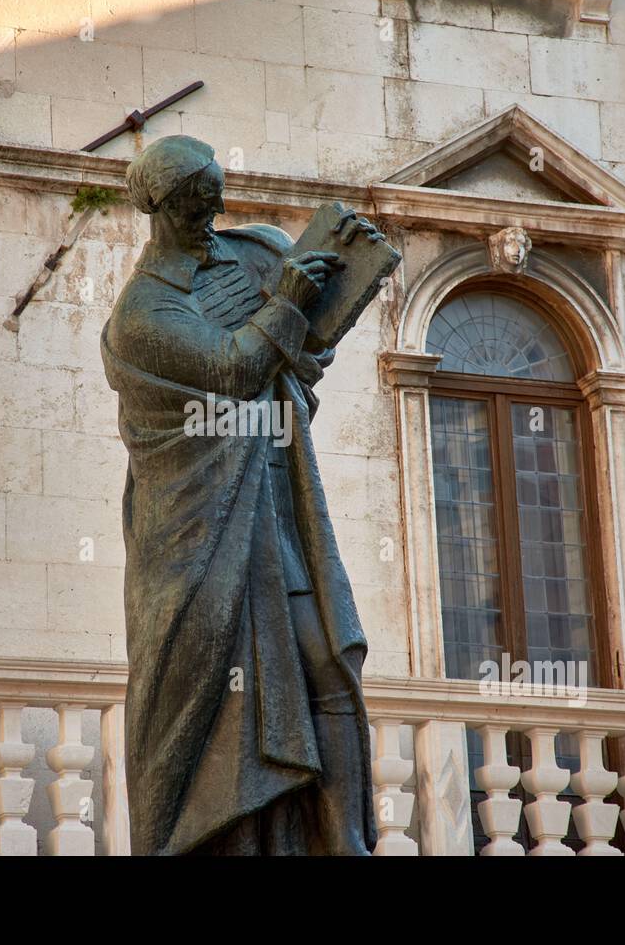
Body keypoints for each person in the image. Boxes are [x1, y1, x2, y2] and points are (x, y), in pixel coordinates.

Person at [101, 134, 380, 855]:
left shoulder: (248, 255)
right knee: (214, 706)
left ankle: (342, 838)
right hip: (199, 546)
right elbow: (234, 369)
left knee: (327, 664)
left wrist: (338, 283)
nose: (216, 211)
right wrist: (287, 303)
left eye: (219, 195)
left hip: (273, 509)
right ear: (161, 206)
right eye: (200, 201)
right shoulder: (140, 319)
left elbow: (292, 365)